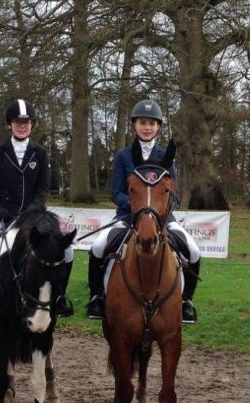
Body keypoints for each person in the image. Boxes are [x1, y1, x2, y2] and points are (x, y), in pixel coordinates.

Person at [85, 99, 201, 323]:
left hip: (162, 220)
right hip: (128, 217)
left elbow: (174, 195)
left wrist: (158, 211)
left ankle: (186, 301)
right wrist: (139, 208)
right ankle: (97, 297)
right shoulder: (123, 156)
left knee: (194, 251)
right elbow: (117, 193)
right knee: (98, 247)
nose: (147, 127)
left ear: (158, 127)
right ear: (134, 125)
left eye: (152, 123)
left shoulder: (166, 157)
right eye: (142, 123)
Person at [0, 99, 74, 319]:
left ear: (32, 124)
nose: (22, 126)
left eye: (26, 122)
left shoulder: (40, 153)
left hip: (34, 217)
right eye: (17, 122)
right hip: (2, 216)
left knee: (67, 251)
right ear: (9, 124)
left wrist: (31, 211)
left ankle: (60, 297)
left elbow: (43, 189)